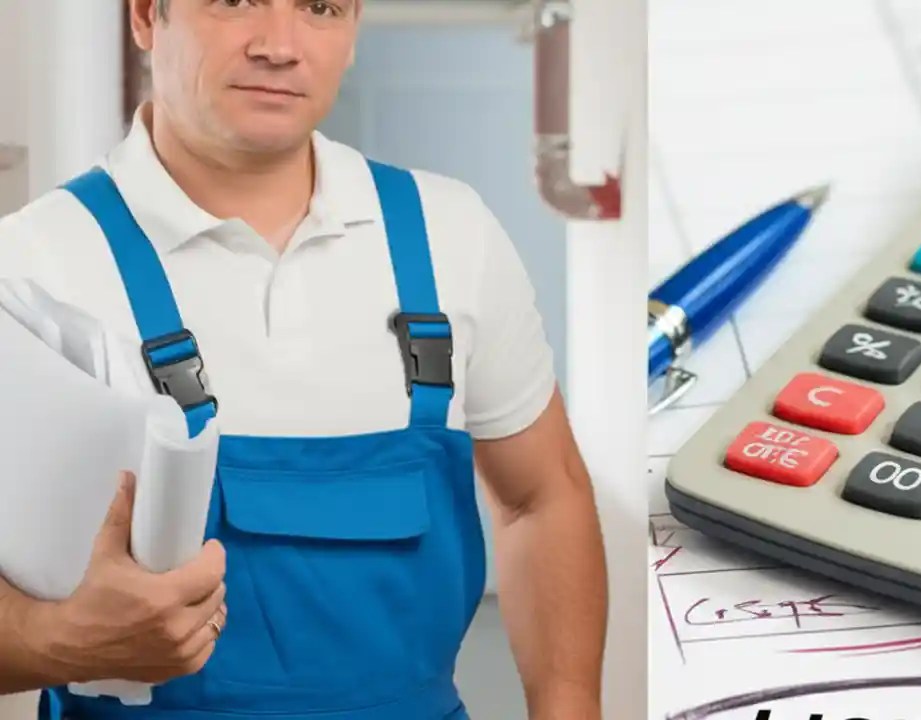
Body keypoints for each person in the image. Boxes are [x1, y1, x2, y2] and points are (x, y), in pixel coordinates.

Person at [0, 1, 609, 718]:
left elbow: (542, 498)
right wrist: (61, 640)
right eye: (236, 2)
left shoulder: (453, 236)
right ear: (144, 16)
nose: (280, 46)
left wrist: (569, 707)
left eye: (319, 7)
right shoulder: (31, 267)